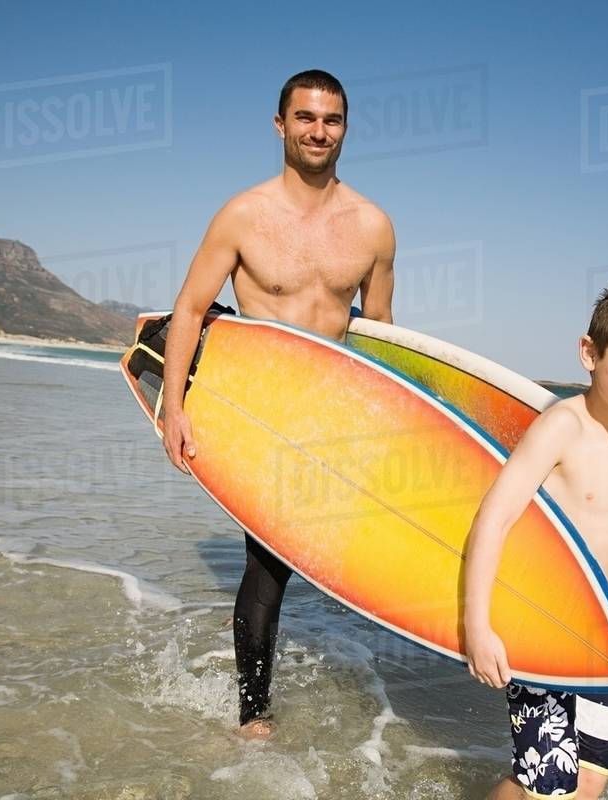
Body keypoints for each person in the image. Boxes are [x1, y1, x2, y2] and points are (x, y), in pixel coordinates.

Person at [159, 69, 395, 739]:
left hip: (330, 415)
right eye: (305, 118)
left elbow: (379, 335)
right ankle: (252, 713)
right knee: (268, 562)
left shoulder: (374, 227)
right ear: (280, 124)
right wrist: (174, 409)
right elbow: (190, 307)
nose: (319, 131)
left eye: (332, 119)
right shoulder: (244, 215)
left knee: (338, 550)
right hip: (258, 409)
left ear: (345, 127)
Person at [463, 278, 608, 799]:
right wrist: (478, 625)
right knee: (547, 784)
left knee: (590, 781)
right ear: (590, 353)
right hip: (548, 623)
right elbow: (493, 519)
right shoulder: (562, 427)